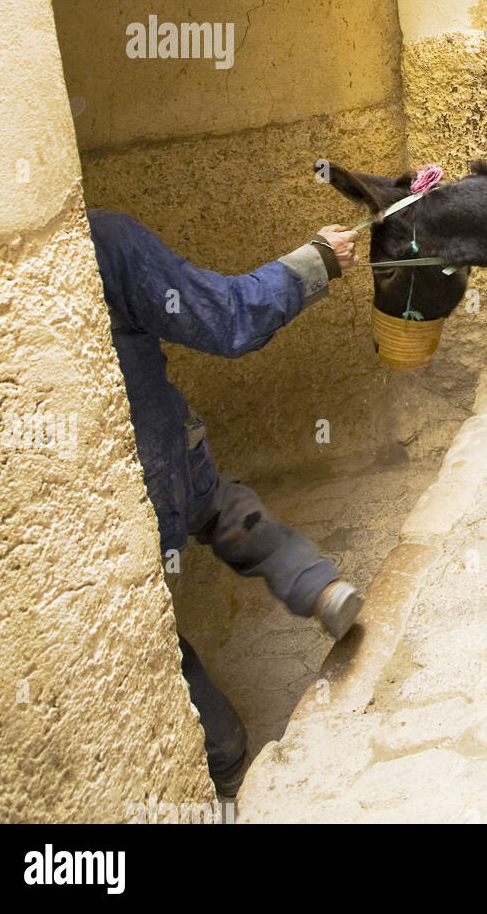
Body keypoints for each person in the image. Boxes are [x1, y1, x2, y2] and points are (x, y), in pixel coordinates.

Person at [87, 208, 364, 795]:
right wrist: (314, 261)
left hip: (110, 486)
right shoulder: (103, 239)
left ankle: (227, 759)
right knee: (221, 512)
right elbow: (222, 318)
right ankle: (316, 586)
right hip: (166, 457)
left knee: (153, 622)